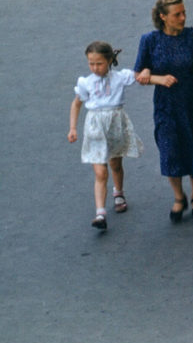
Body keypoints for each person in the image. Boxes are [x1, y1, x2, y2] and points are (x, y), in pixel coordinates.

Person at [135, 0, 193, 223]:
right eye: (177, 14)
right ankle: (179, 196)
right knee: (170, 149)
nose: (183, 17)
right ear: (163, 17)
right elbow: (139, 73)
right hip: (166, 106)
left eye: (184, 12)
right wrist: (153, 77)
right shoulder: (150, 41)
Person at [68, 41, 175, 229]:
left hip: (115, 126)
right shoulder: (85, 82)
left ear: (109, 61)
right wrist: (73, 128)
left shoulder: (120, 77)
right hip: (95, 129)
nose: (94, 68)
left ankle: (118, 192)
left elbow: (142, 78)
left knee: (115, 164)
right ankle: (100, 214)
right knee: (100, 172)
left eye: (99, 63)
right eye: (91, 63)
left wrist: (161, 79)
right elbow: (76, 103)